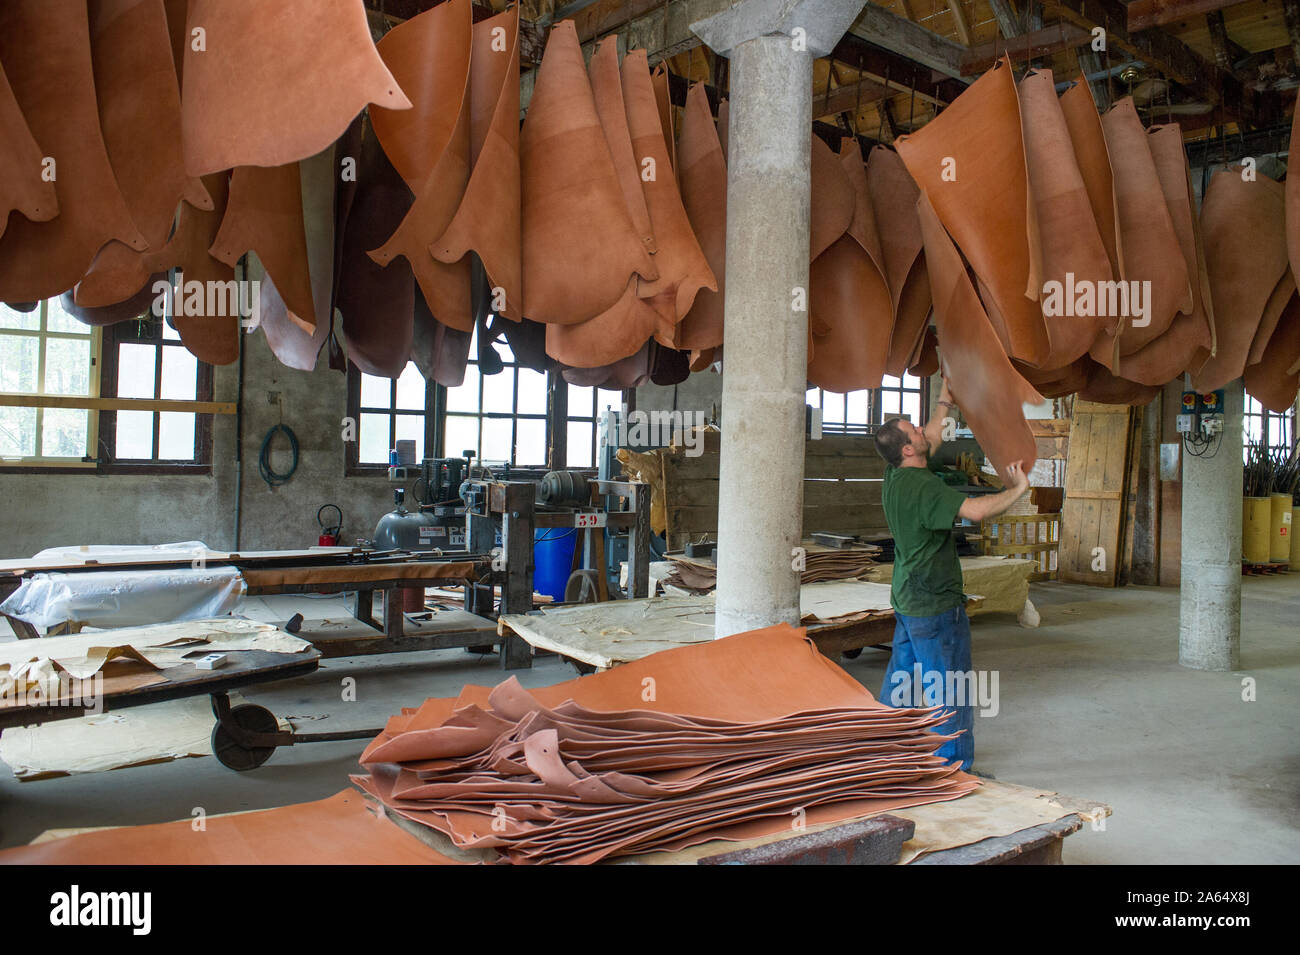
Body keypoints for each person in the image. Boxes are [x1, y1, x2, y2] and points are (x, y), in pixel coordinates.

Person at [871, 381, 1030, 771]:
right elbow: (976, 511)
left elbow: (934, 440)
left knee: (902, 683)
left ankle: (885, 752)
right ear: (908, 449)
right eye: (915, 431)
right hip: (936, 602)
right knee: (949, 686)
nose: (924, 430)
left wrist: (945, 399)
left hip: (907, 599)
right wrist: (1018, 489)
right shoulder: (926, 487)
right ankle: (954, 768)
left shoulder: (896, 476)